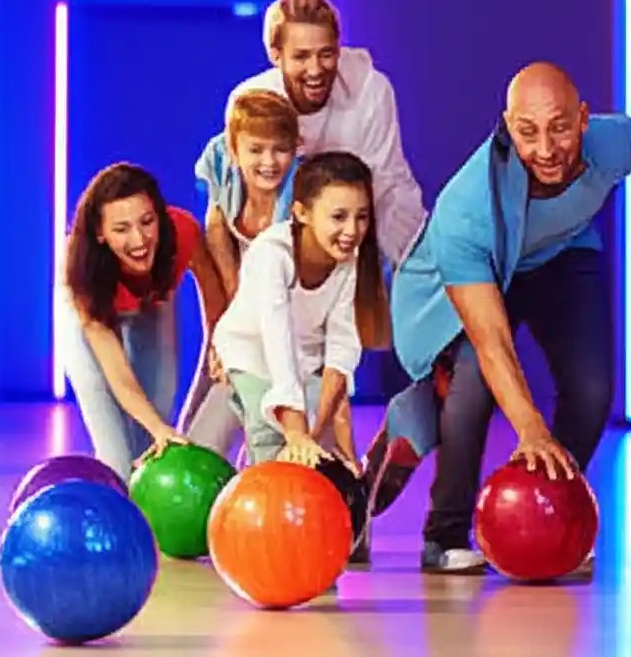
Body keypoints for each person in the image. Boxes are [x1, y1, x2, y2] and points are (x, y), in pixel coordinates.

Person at [361, 62, 631, 574]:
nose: (545, 149)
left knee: (592, 390)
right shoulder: (467, 210)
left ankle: (555, 514)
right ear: (506, 126)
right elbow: (493, 341)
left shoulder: (622, 143)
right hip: (477, 271)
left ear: (584, 119)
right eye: (527, 132)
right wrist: (530, 428)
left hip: (561, 256)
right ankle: (442, 534)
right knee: (472, 388)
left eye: (560, 127)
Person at [210, 151, 389, 554]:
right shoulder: (272, 254)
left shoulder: (351, 259)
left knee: (321, 450)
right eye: (339, 216)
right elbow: (275, 341)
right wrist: (293, 431)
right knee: (274, 441)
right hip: (251, 354)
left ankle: (337, 536)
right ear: (302, 213)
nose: (352, 229)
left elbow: (342, 348)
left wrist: (316, 427)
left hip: (304, 358)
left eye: (362, 217)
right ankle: (270, 544)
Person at [225, 0, 427, 270]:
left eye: (326, 54)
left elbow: (380, 185)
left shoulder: (371, 90)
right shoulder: (251, 102)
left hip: (378, 229)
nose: (315, 69)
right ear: (276, 55)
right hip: (284, 242)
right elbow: (234, 199)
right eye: (301, 56)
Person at [58, 162, 227, 481]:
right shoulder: (81, 271)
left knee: (153, 443)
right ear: (100, 233)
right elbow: (118, 375)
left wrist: (218, 350)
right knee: (118, 460)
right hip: (93, 319)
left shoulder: (181, 232)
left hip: (151, 302)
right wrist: (160, 428)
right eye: (121, 229)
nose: (139, 239)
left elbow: (214, 298)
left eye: (147, 222)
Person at [178, 88, 301, 459]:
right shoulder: (221, 163)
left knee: (277, 429)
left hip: (289, 317)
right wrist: (228, 324)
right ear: (234, 152)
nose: (269, 161)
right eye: (256, 150)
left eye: (281, 149)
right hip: (241, 305)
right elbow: (216, 230)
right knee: (198, 424)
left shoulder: (302, 193)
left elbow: (281, 295)